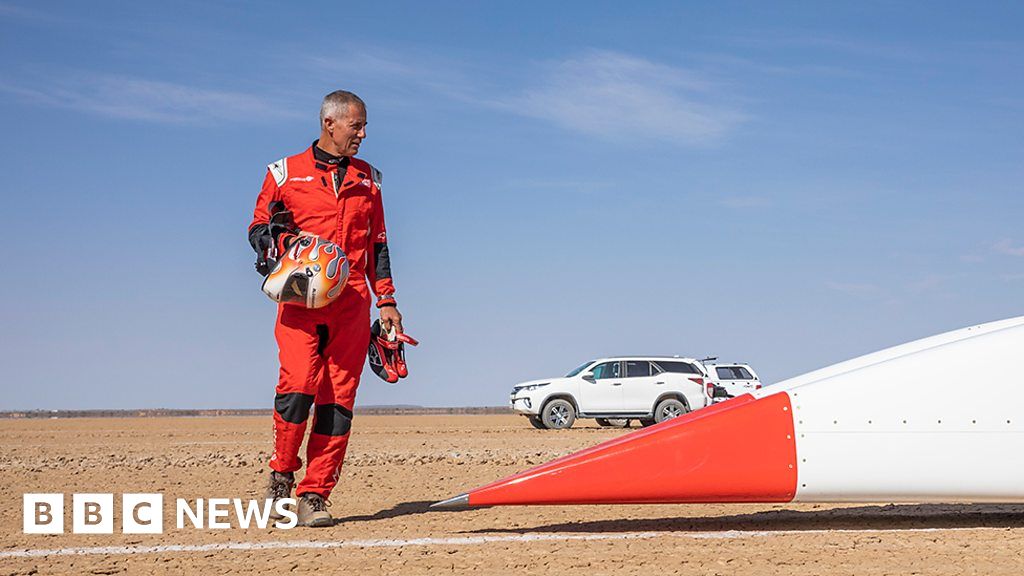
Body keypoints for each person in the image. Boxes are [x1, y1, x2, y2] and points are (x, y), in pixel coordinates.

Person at [248, 90, 403, 527]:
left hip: (353, 300)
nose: (363, 133)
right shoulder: (283, 173)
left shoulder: (369, 179)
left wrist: (387, 299)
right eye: (357, 125)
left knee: (338, 400)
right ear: (330, 123)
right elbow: (258, 228)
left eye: (365, 126)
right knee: (297, 386)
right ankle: (281, 472)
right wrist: (282, 244)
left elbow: (379, 245)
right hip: (302, 299)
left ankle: (314, 494)